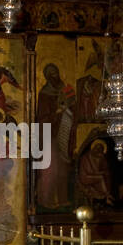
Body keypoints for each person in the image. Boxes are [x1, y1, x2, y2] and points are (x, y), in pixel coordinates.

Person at [35, 63, 75, 207]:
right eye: (51, 74)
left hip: (64, 131)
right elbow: (42, 117)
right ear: (46, 77)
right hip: (49, 135)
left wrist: (68, 109)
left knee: (63, 169)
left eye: (56, 73)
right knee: (50, 169)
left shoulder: (66, 89)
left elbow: (73, 107)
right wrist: (56, 113)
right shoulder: (44, 94)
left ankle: (63, 199)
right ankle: (47, 200)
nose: (54, 77)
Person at [76, 138, 113, 205]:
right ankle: (107, 195)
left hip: (94, 176)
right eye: (97, 148)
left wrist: (105, 171)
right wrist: (100, 173)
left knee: (107, 176)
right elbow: (89, 171)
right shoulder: (86, 157)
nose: (98, 150)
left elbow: (105, 168)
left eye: (100, 148)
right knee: (101, 177)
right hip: (85, 176)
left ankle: (106, 196)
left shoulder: (101, 157)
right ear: (93, 148)